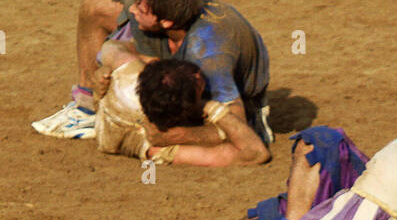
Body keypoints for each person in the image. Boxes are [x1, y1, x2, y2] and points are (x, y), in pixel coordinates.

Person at [33, 0, 272, 158]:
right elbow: (124, 45)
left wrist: (174, 137)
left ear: (166, 21)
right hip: (176, 49)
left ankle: (252, 113)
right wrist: (101, 74)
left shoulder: (209, 57)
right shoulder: (173, 12)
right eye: (137, 1)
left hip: (221, 89)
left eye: (140, 6)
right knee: (98, 3)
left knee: (217, 126)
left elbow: (235, 125)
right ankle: (85, 109)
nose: (134, 10)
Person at [130, 124, 369, 220]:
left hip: (388, 207)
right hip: (378, 192)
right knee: (302, 206)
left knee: (319, 142)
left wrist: (211, 108)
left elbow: (253, 150)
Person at [94, 57, 268, 167]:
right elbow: (256, 152)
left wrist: (100, 72)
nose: (200, 77)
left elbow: (111, 47)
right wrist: (210, 107)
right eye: (198, 85)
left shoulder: (127, 74)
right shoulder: (159, 146)